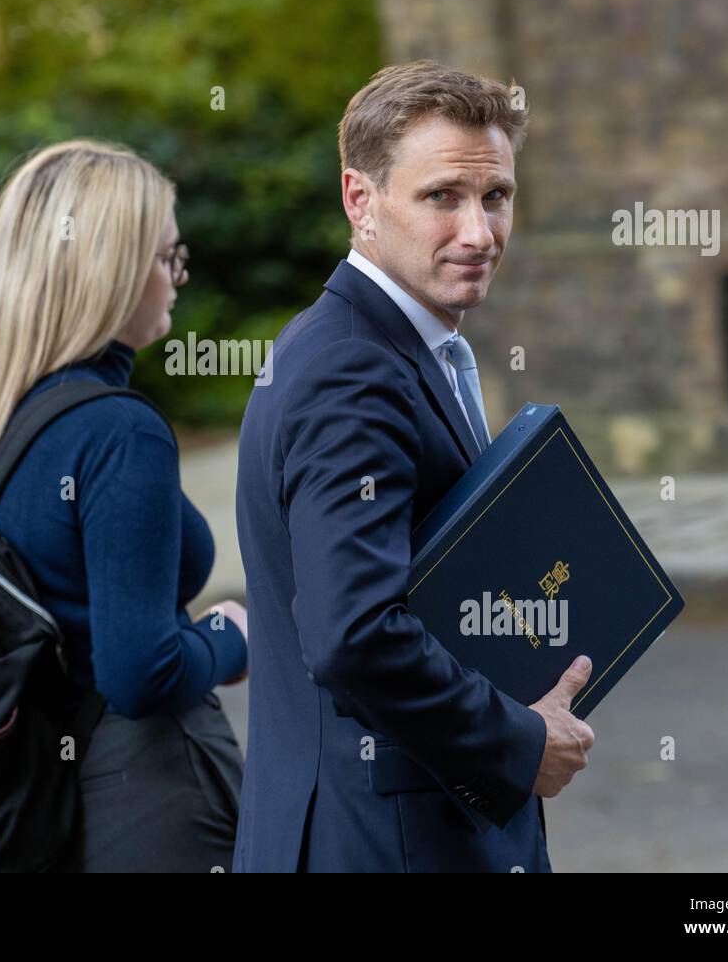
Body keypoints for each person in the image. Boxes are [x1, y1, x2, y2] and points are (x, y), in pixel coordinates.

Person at [233, 61, 595, 872]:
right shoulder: (352, 369)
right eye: (442, 197)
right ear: (360, 200)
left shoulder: (395, 345)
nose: (478, 231)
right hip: (381, 844)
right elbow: (353, 634)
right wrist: (519, 740)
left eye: (495, 196)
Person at [0, 138, 248, 872]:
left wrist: (8, 693)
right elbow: (140, 672)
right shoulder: (121, 431)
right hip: (145, 807)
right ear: (113, 271)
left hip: (20, 812)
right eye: (166, 258)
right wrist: (230, 636)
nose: (176, 278)